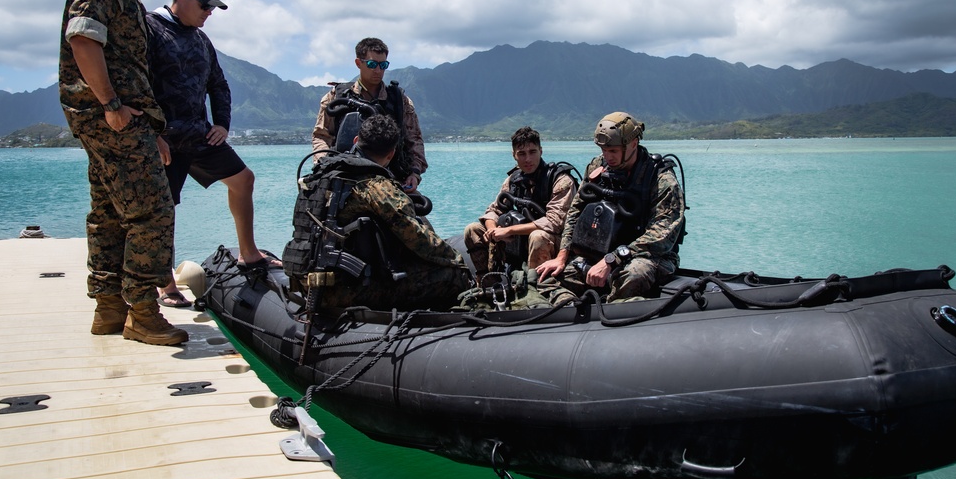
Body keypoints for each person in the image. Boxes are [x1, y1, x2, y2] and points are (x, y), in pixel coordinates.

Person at [58, 0, 187, 345]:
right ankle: (143, 311)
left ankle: (110, 307)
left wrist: (151, 128)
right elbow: (82, 38)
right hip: (112, 121)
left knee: (110, 215)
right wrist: (111, 105)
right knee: (153, 211)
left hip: (122, 123)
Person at [146, 0, 280, 307]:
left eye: (214, 7)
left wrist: (221, 124)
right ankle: (166, 284)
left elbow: (218, 85)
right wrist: (151, 134)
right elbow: (136, 84)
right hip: (164, 138)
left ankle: (248, 254)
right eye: (205, 5)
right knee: (164, 209)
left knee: (243, 179)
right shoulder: (149, 28)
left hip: (199, 133)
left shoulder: (201, 40)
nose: (210, 12)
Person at [292, 115, 469, 311]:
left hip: (305, 284)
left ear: (356, 141)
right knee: (454, 276)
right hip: (345, 291)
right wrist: (457, 260)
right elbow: (418, 239)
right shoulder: (377, 187)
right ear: (391, 154)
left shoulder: (319, 177)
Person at [535, 112, 685, 303]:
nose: (607, 156)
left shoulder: (660, 179)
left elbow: (662, 235)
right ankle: (571, 310)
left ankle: (613, 311)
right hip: (600, 253)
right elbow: (575, 211)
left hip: (646, 256)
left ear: (633, 143)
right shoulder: (598, 166)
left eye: (613, 150)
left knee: (633, 275)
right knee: (547, 278)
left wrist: (612, 260)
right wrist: (562, 256)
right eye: (604, 150)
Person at [311, 37, 427, 192]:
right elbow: (321, 136)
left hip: (393, 180)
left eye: (383, 65)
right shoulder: (336, 97)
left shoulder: (400, 101)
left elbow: (414, 140)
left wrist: (414, 173)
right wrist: (326, 164)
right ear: (359, 63)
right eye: (372, 64)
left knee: (415, 216)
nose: (378, 70)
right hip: (344, 179)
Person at [463, 126, 577, 278]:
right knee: (472, 229)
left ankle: (536, 287)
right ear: (514, 155)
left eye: (532, 152)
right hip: (519, 240)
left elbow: (554, 222)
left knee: (538, 236)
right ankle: (487, 281)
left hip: (552, 241)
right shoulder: (513, 180)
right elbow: (494, 210)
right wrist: (493, 232)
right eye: (522, 154)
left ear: (541, 151)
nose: (528, 159)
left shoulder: (560, 180)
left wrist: (509, 231)